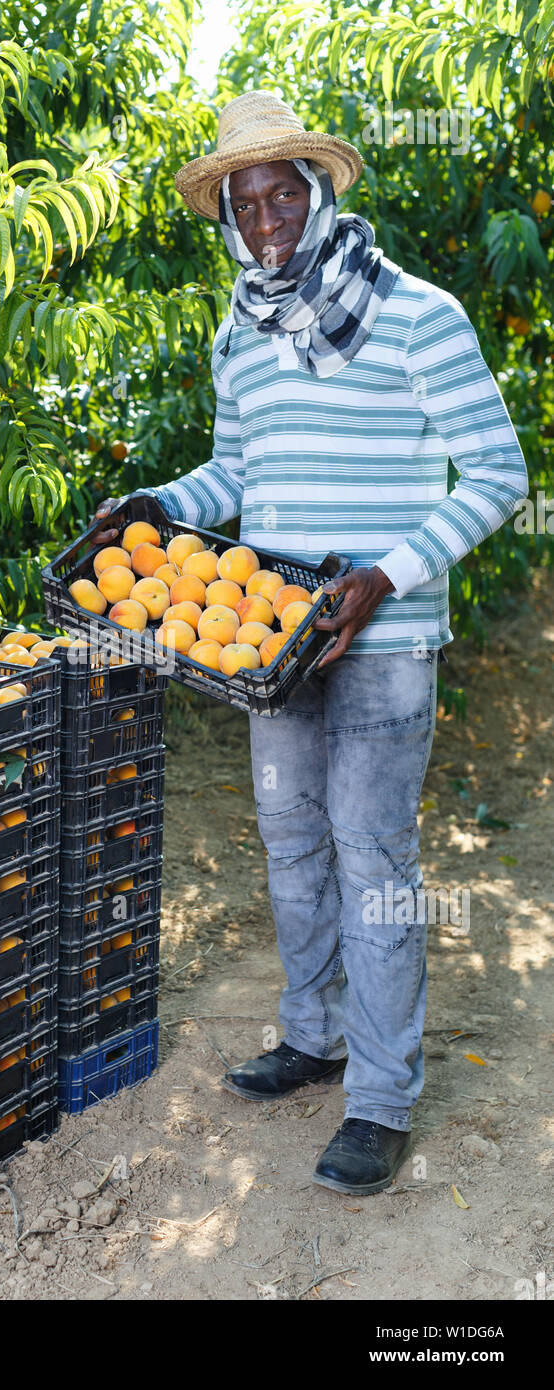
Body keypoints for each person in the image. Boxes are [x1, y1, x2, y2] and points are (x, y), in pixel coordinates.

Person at [89, 90, 528, 1196]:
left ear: (318, 192)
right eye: (247, 202)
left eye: (284, 191)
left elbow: (498, 474)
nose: (268, 214)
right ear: (229, 221)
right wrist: (153, 501)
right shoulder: (239, 328)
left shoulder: (416, 314)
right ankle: (312, 1033)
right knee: (289, 844)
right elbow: (234, 475)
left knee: (372, 860)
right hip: (268, 639)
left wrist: (382, 575)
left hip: (381, 638)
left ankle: (379, 1097)